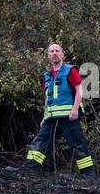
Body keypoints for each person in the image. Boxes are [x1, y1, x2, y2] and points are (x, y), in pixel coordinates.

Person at [25, 44, 95, 176]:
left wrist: (75, 110)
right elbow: (47, 97)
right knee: (40, 142)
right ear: (48, 56)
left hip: (68, 116)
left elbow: (79, 90)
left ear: (62, 55)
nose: (54, 53)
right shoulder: (47, 76)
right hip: (51, 117)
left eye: (57, 51)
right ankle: (29, 170)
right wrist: (44, 116)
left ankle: (88, 175)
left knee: (78, 145)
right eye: (51, 51)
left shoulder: (69, 70)